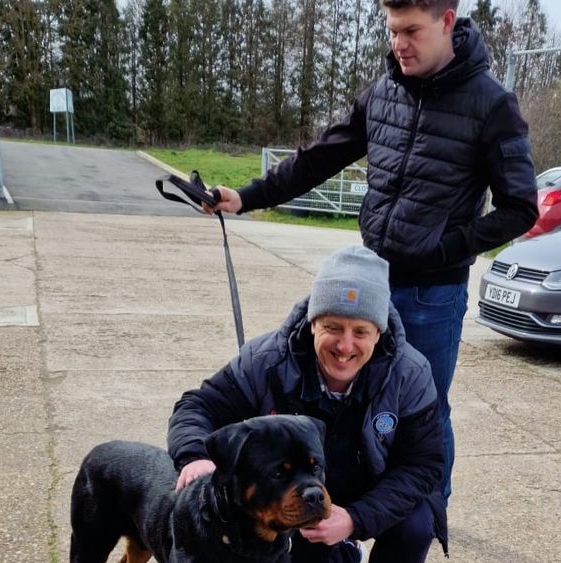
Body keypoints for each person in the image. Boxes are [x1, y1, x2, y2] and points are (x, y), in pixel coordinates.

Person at [205, 0, 539, 501]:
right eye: (392, 31)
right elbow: (320, 158)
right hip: (368, 287)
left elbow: (520, 208)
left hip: (433, 295)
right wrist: (248, 197)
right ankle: (338, 510)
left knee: (423, 412)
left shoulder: (491, 105)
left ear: (447, 22)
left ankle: (425, 514)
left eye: (411, 31)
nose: (399, 44)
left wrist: (443, 248)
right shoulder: (383, 93)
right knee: (349, 403)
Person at [168, 246, 446, 562]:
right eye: (332, 327)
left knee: (416, 525)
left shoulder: (410, 373)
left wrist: (356, 518)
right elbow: (198, 405)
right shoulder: (266, 359)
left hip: (369, 488)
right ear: (313, 322)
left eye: (361, 332)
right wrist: (195, 456)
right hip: (290, 489)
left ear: (379, 332)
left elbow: (423, 463)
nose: (345, 345)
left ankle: (347, 544)